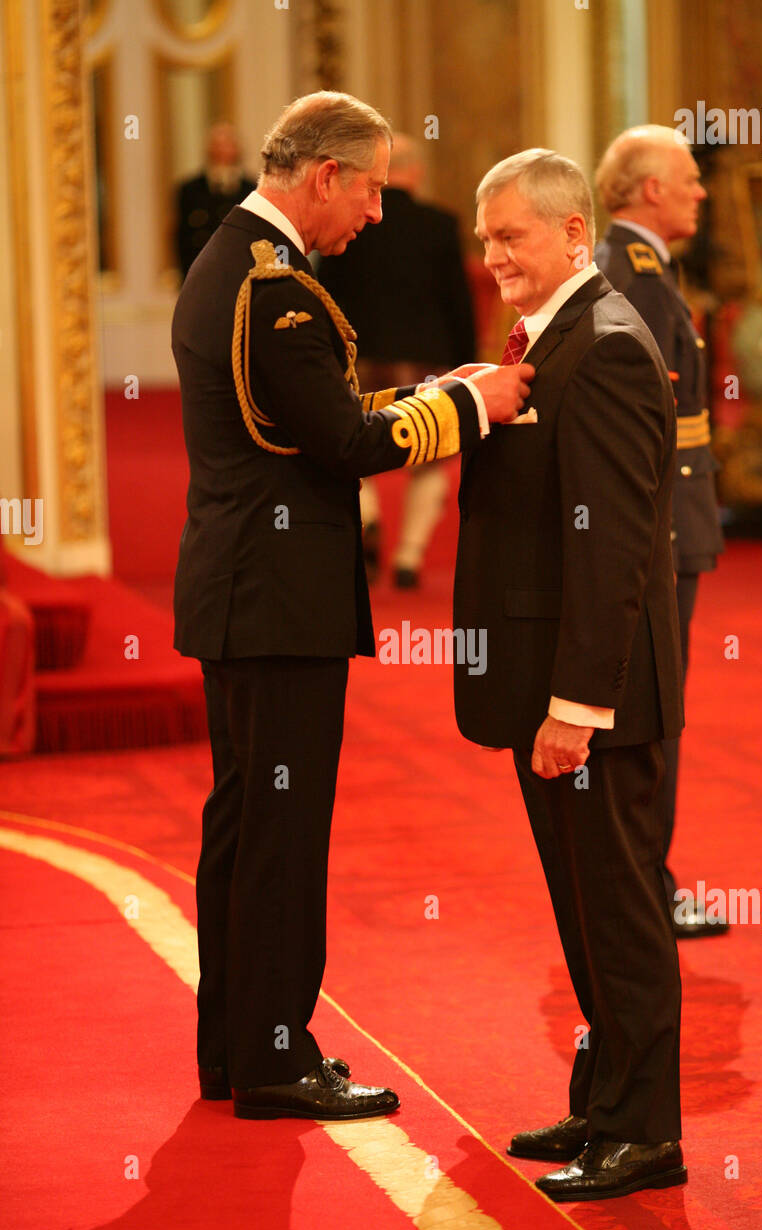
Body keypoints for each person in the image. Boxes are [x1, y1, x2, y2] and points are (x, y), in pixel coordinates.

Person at [172, 91, 533, 1122]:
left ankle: (237, 1045)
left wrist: (440, 385)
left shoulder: (243, 265)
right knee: (279, 832)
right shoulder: (274, 288)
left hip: (243, 590)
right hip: (276, 598)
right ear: (325, 175)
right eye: (370, 189)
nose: (376, 213)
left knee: (245, 827)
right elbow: (344, 444)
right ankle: (278, 1058)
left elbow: (312, 416)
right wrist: (474, 404)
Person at [452, 149, 685, 1200]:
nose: (491, 253)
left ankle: (645, 1134)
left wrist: (573, 708)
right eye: (486, 235)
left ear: (575, 235)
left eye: (512, 236)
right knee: (581, 906)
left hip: (594, 699)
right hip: (548, 682)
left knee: (621, 911)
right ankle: (604, 1104)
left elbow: (613, 550)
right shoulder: (550, 338)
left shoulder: (607, 348)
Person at [594, 125, 727, 939]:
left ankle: (640, 879)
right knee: (654, 713)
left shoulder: (644, 270)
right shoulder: (637, 279)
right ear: (650, 190)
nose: (701, 192)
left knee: (651, 708)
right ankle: (646, 885)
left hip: (672, 520)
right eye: (688, 179)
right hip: (662, 527)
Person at [318, 134, 478, 587]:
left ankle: (367, 520)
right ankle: (409, 557)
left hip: (359, 357)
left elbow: (324, 292)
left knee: (351, 445)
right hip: (426, 360)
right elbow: (458, 302)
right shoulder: (441, 224)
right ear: (419, 171)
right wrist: (464, 363)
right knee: (430, 455)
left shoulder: (354, 223)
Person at [175, 123, 256, 278]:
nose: (222, 151)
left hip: (240, 274)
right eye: (218, 145)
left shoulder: (251, 190)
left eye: (228, 145)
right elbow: (182, 239)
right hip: (200, 273)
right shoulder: (189, 190)